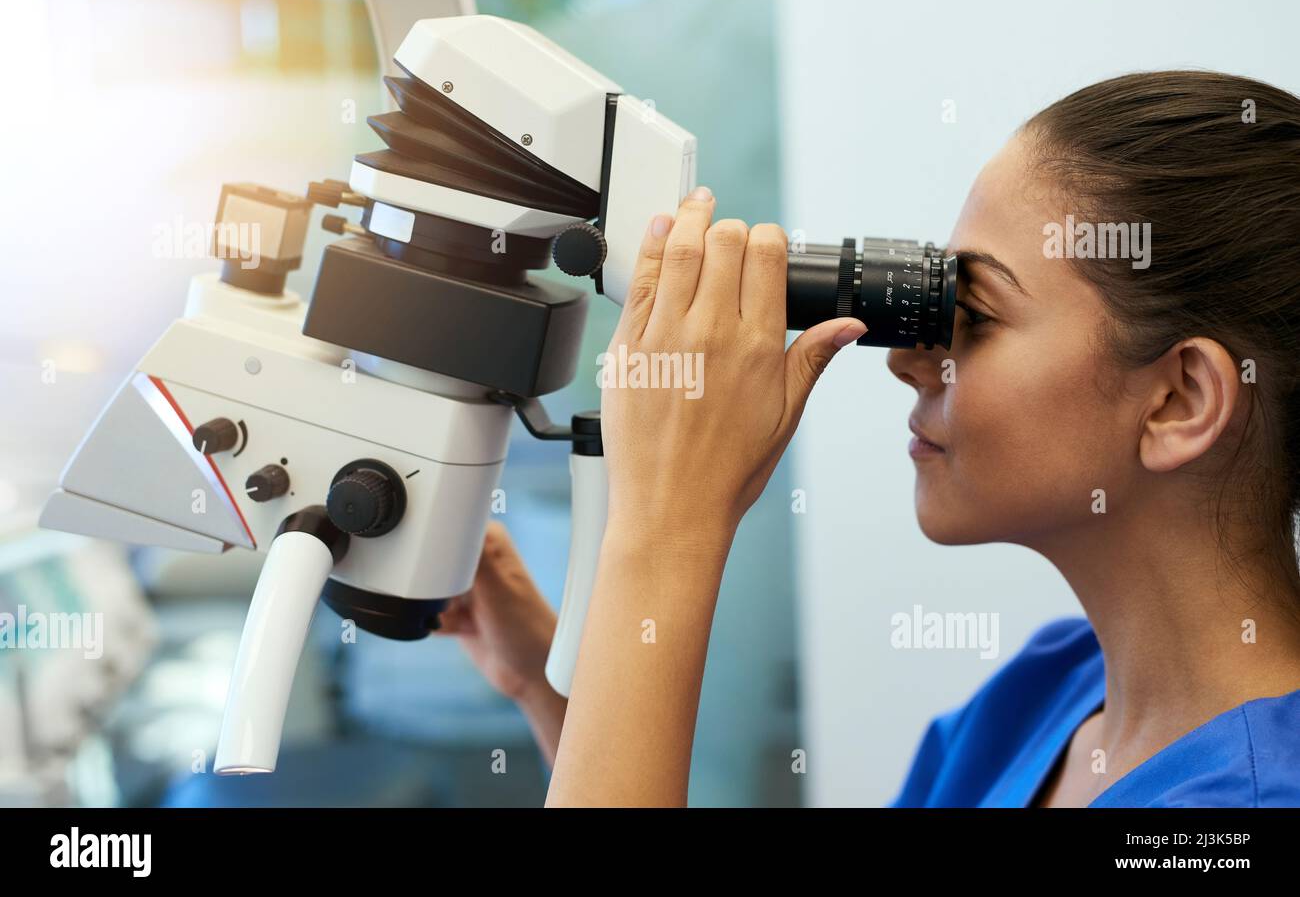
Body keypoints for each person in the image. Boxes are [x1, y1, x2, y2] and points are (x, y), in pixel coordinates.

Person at [436, 71, 1300, 807]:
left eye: (978, 316)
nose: (911, 362)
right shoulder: (1055, 689)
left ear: (1179, 400)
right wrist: (553, 689)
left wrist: (669, 528)